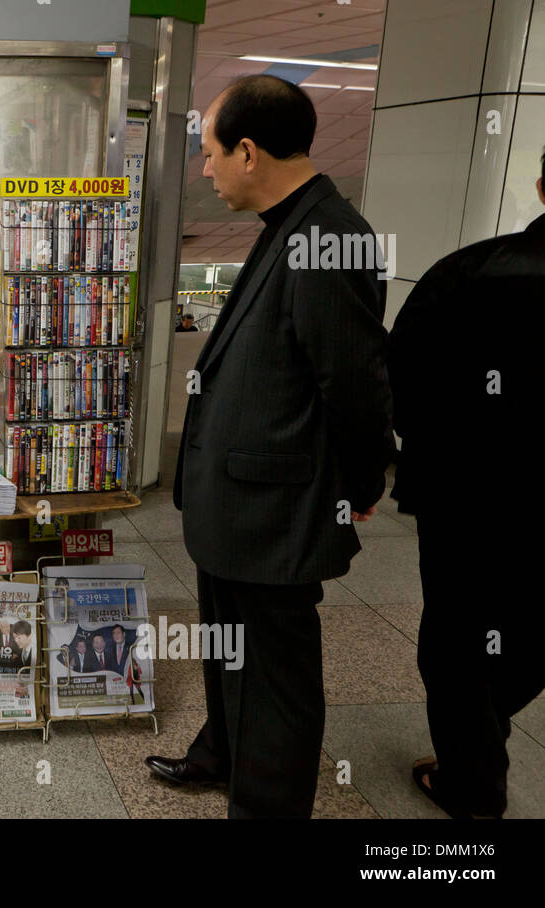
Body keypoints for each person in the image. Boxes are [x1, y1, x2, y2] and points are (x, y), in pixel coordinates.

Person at [146, 75, 393, 818]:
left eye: (211, 151)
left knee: (274, 674)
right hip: (239, 509)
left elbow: (353, 383)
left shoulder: (329, 238)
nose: (205, 167)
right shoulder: (286, 224)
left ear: (248, 151)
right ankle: (221, 753)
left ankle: (268, 805)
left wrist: (361, 488)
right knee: (229, 649)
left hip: (277, 514)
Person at [388, 157, 545, 819]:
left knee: (456, 637)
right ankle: (486, 721)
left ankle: (474, 781)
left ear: (541, 186)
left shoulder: (467, 272)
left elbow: (399, 377)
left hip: (463, 500)